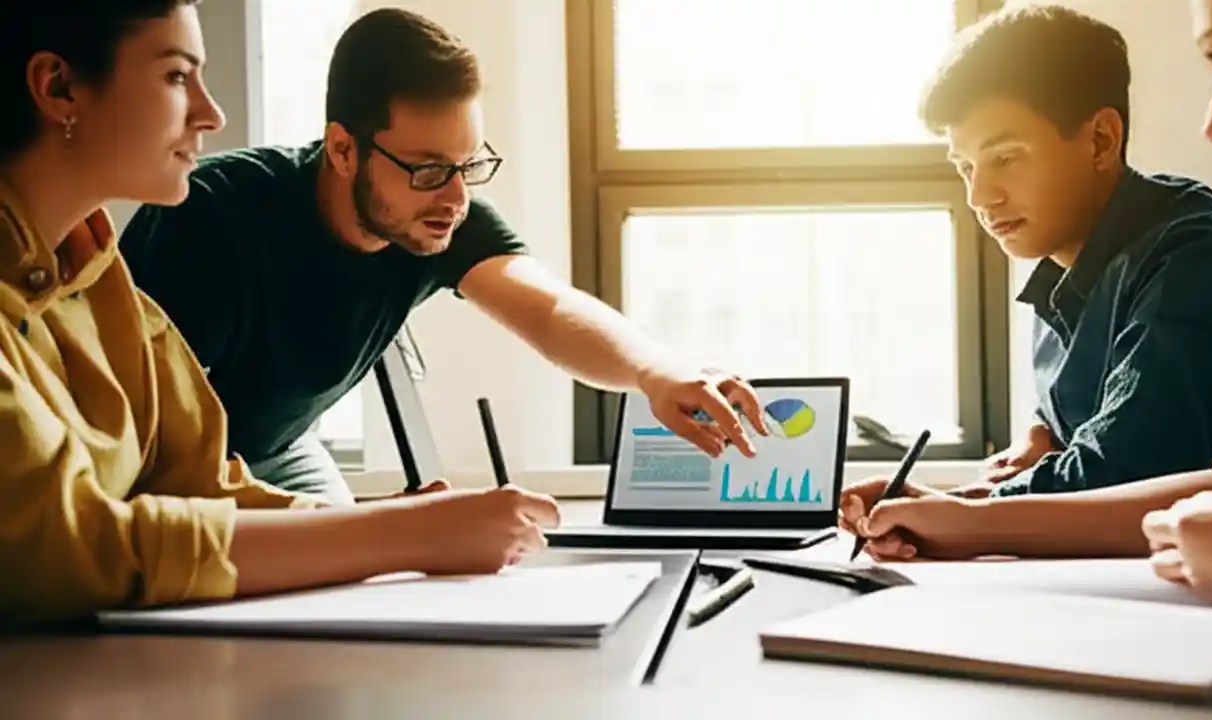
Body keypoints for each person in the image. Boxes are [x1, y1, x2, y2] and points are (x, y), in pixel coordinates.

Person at [1, 0, 560, 622]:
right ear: (58, 86)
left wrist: (411, 525)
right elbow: (76, 548)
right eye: (176, 76)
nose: (211, 113)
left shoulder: (102, 289)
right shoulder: (200, 225)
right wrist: (405, 537)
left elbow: (203, 482)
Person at [118, 8, 769, 506]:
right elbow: (147, 447)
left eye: (468, 166)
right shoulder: (209, 221)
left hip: (281, 448)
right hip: (163, 464)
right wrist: (373, 533)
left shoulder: (433, 219)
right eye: (429, 170)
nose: (456, 197)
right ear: (343, 150)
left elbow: (547, 310)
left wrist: (655, 373)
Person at [841, 0, 1212, 614]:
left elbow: (1121, 476)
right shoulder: (1057, 276)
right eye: (965, 166)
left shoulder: (1195, 254)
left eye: (1005, 157)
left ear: (1101, 139)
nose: (979, 195)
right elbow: (1067, 462)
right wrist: (963, 498)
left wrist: (964, 512)